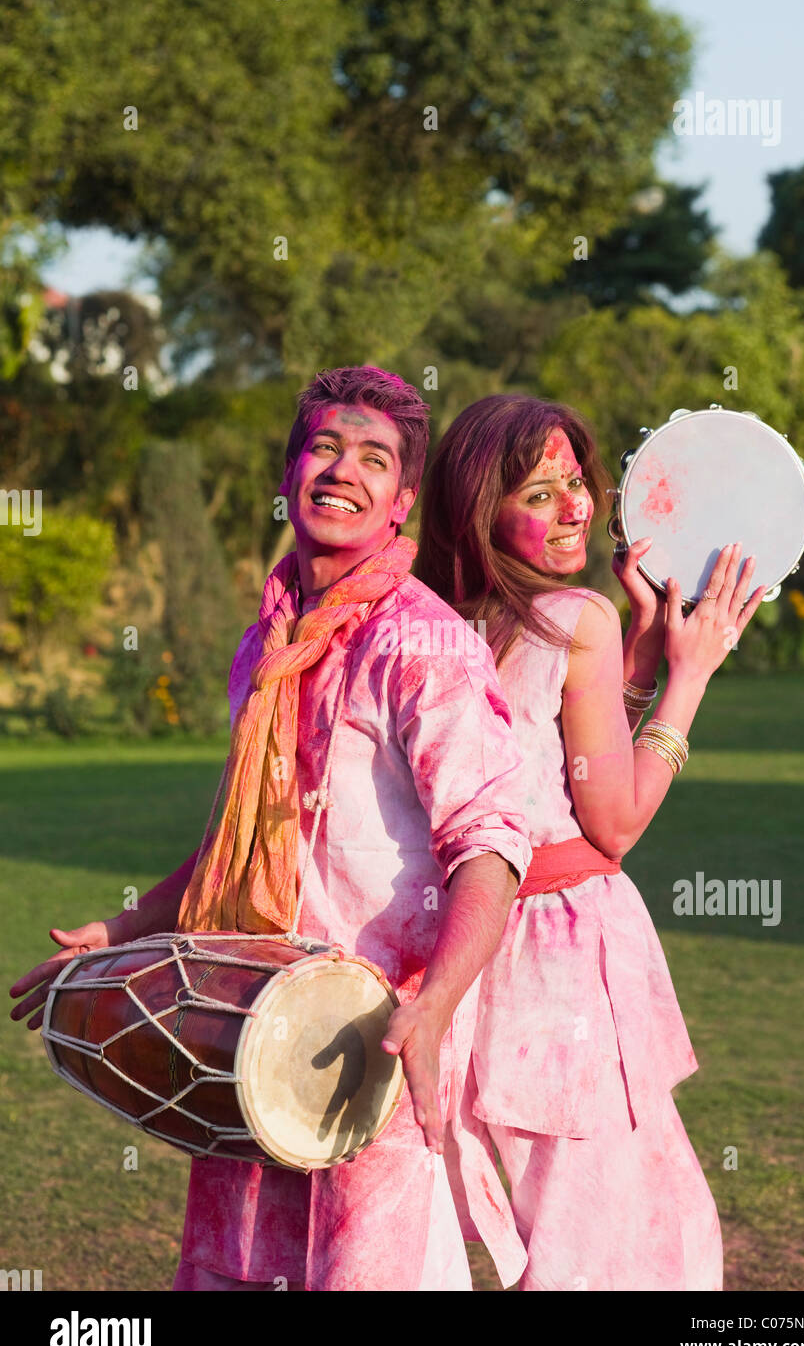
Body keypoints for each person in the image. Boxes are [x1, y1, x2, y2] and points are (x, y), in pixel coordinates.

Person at [9, 366, 533, 1292]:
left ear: (402, 499)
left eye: (374, 459)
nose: (343, 471)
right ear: (290, 472)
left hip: (376, 1034)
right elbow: (243, 841)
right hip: (246, 1025)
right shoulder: (268, 640)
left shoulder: (426, 642)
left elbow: (489, 849)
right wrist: (122, 931)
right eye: (324, 447)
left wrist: (434, 1005)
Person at [416, 393, 767, 1291]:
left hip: (476, 959)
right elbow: (608, 825)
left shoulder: (437, 626)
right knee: (635, 1246)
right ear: (479, 511)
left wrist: (635, 667)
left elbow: (540, 763)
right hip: (564, 961)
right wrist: (688, 679)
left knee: (563, 1230)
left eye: (577, 483)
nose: (576, 508)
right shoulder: (577, 617)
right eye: (538, 494)